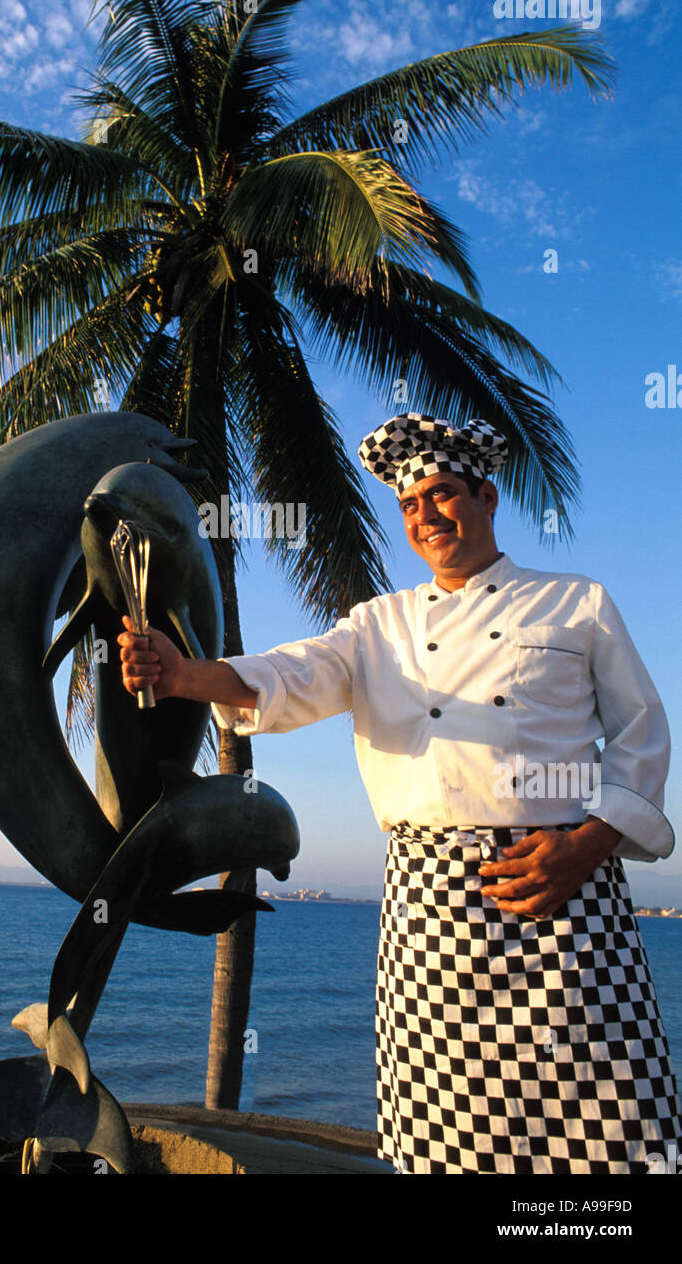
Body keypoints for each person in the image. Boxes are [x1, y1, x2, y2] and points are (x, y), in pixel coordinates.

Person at [117, 412, 681, 1175]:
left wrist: (587, 845)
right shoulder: (378, 625)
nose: (425, 517)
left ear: (484, 497)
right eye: (409, 507)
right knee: (448, 1124)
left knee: (610, 1115)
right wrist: (185, 676)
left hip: (562, 890)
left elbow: (642, 731)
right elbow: (294, 672)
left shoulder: (575, 602)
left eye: (441, 495)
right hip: (430, 900)